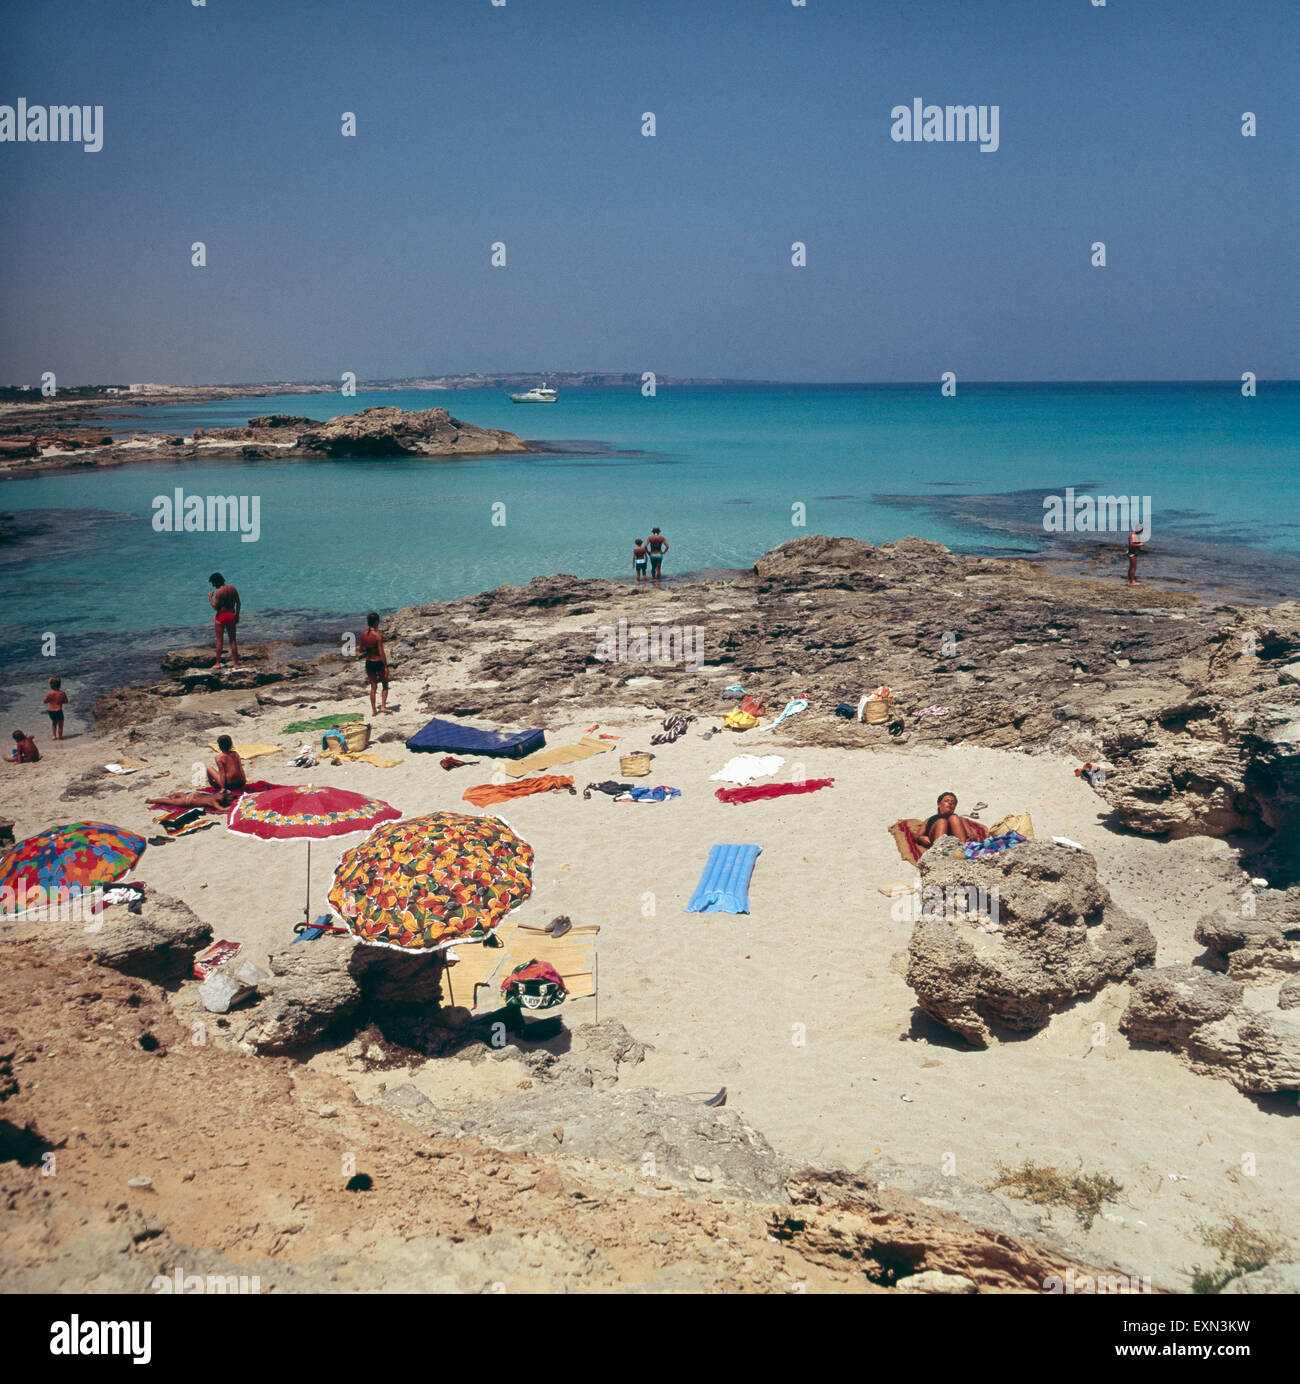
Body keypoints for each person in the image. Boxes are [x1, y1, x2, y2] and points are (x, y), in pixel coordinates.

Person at [358, 611, 389, 715]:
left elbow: (361, 650)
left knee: (373, 687)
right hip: (378, 662)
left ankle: (374, 710)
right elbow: (381, 652)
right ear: (376, 622)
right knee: (384, 684)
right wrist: (386, 666)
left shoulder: (363, 635)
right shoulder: (377, 636)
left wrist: (369, 650)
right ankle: (383, 706)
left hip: (369, 663)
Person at [208, 572, 242, 667]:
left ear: (216, 582)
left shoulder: (219, 592)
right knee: (233, 640)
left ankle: (218, 663)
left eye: (213, 583)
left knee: (219, 640)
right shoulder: (232, 588)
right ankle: (236, 664)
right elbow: (239, 603)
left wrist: (210, 598)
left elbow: (215, 607)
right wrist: (237, 616)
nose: (213, 585)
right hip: (231, 615)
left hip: (221, 616)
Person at [206, 734, 246, 802]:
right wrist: (244, 780)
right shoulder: (235, 754)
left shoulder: (218, 758)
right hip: (240, 783)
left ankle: (212, 783)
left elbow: (222, 773)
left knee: (209, 768)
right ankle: (214, 783)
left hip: (229, 785)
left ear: (219, 746)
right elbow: (240, 769)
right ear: (230, 744)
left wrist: (223, 788)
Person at [43, 677, 68, 741]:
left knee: (54, 723)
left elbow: (45, 701)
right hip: (59, 710)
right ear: (59, 685)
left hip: (51, 711)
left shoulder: (49, 693)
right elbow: (66, 701)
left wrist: (51, 700)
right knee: (60, 725)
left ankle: (54, 736)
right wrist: (60, 701)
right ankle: (60, 737)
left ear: (51, 685)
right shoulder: (62, 693)